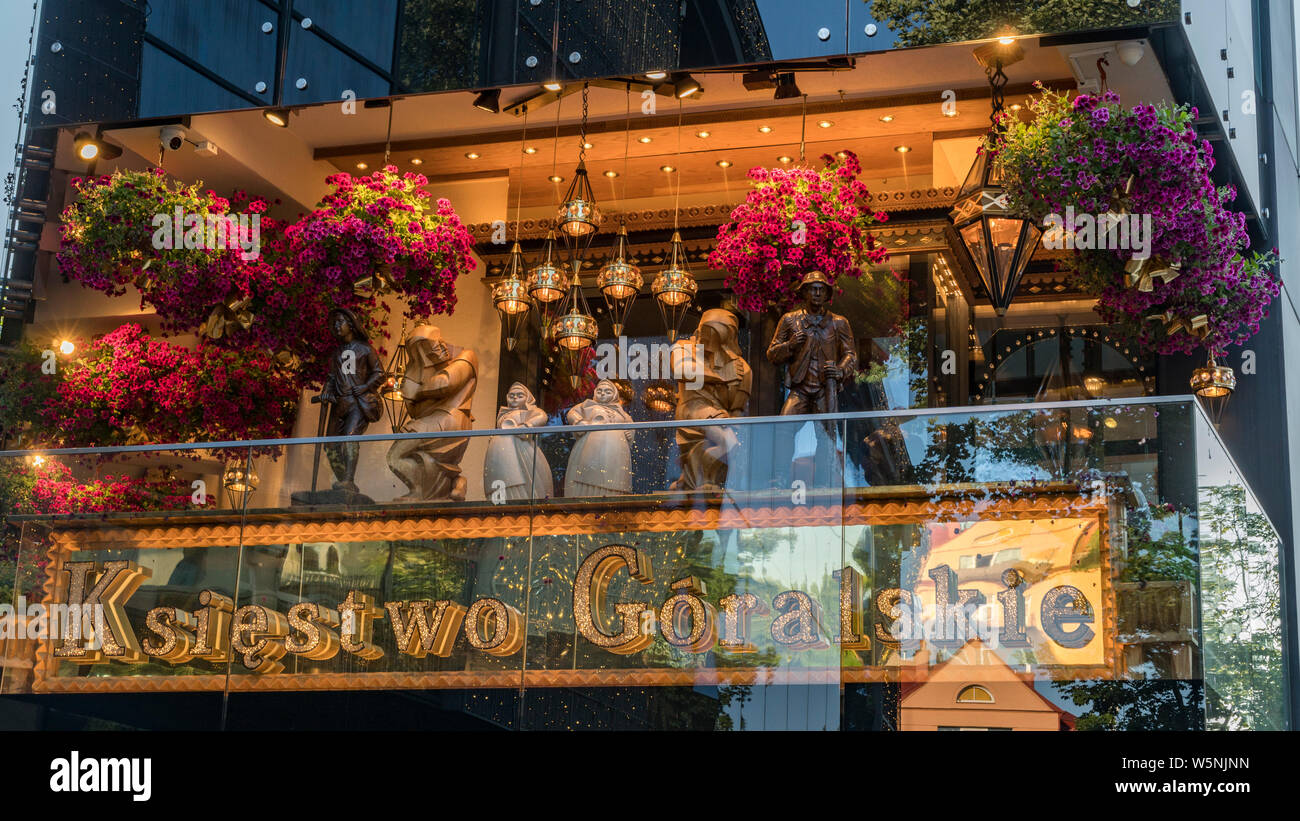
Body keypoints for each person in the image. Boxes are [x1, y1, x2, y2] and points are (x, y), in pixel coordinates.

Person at [386, 325, 477, 502]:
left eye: (439, 342)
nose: (441, 348)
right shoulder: (425, 368)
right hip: (435, 420)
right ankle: (454, 482)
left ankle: (420, 491)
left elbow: (445, 382)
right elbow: (413, 409)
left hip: (451, 420)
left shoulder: (467, 356)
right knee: (417, 458)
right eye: (431, 347)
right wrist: (417, 371)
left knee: (396, 454)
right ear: (421, 353)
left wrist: (417, 389)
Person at [670, 309, 751, 490]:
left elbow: (737, 409)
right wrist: (720, 375)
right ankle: (700, 481)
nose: (706, 339)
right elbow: (680, 369)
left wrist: (735, 426)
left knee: (732, 446)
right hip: (692, 410)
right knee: (727, 443)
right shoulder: (683, 347)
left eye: (714, 333)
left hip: (720, 416)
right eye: (705, 331)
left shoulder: (741, 366)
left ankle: (693, 480)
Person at [765, 270, 857, 414]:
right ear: (804, 292)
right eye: (813, 289)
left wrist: (840, 370)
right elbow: (771, 355)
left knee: (827, 435)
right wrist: (790, 345)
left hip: (825, 389)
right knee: (783, 429)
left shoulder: (838, 323)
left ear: (827, 294)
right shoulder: (789, 320)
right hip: (800, 390)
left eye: (822, 290)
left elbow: (850, 354)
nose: (818, 293)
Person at [317, 307, 383, 493]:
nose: (337, 326)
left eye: (341, 322)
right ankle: (343, 483)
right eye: (335, 323)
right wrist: (326, 393)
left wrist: (364, 387)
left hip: (357, 403)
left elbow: (379, 373)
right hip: (340, 404)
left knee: (349, 439)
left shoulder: (365, 349)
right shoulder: (337, 354)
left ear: (351, 325)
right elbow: (331, 378)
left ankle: (348, 479)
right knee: (330, 446)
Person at [565, 379, 635, 497]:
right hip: (592, 450)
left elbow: (631, 424)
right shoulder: (587, 405)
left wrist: (630, 432)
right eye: (600, 391)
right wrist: (579, 422)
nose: (603, 394)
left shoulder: (621, 412)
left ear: (614, 395)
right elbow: (571, 413)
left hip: (616, 455)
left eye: (607, 391)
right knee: (589, 475)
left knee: (614, 478)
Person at [484, 382, 553, 501]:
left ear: (528, 398)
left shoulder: (531, 411)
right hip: (502, 450)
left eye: (520, 395)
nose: (515, 398)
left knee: (527, 474)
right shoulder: (503, 414)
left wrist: (527, 425)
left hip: (522, 447)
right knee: (504, 473)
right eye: (512, 395)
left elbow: (542, 417)